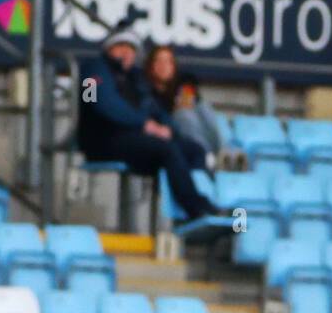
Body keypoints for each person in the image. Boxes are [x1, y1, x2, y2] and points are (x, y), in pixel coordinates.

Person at [77, 26, 217, 223]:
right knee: (166, 150)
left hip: (134, 141)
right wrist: (144, 124)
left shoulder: (135, 78)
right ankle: (194, 209)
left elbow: (154, 108)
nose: (126, 52)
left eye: (131, 48)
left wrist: (170, 130)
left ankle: (198, 206)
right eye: (120, 46)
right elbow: (97, 103)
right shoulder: (91, 71)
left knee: (193, 150)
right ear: (108, 49)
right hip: (101, 141)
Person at [144, 44, 224, 167]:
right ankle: (206, 156)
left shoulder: (183, 81)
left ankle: (223, 154)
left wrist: (184, 101)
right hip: (169, 133)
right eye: (158, 61)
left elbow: (187, 100)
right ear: (151, 66)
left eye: (167, 61)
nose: (163, 66)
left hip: (194, 126)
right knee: (184, 114)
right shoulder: (144, 89)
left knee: (203, 107)